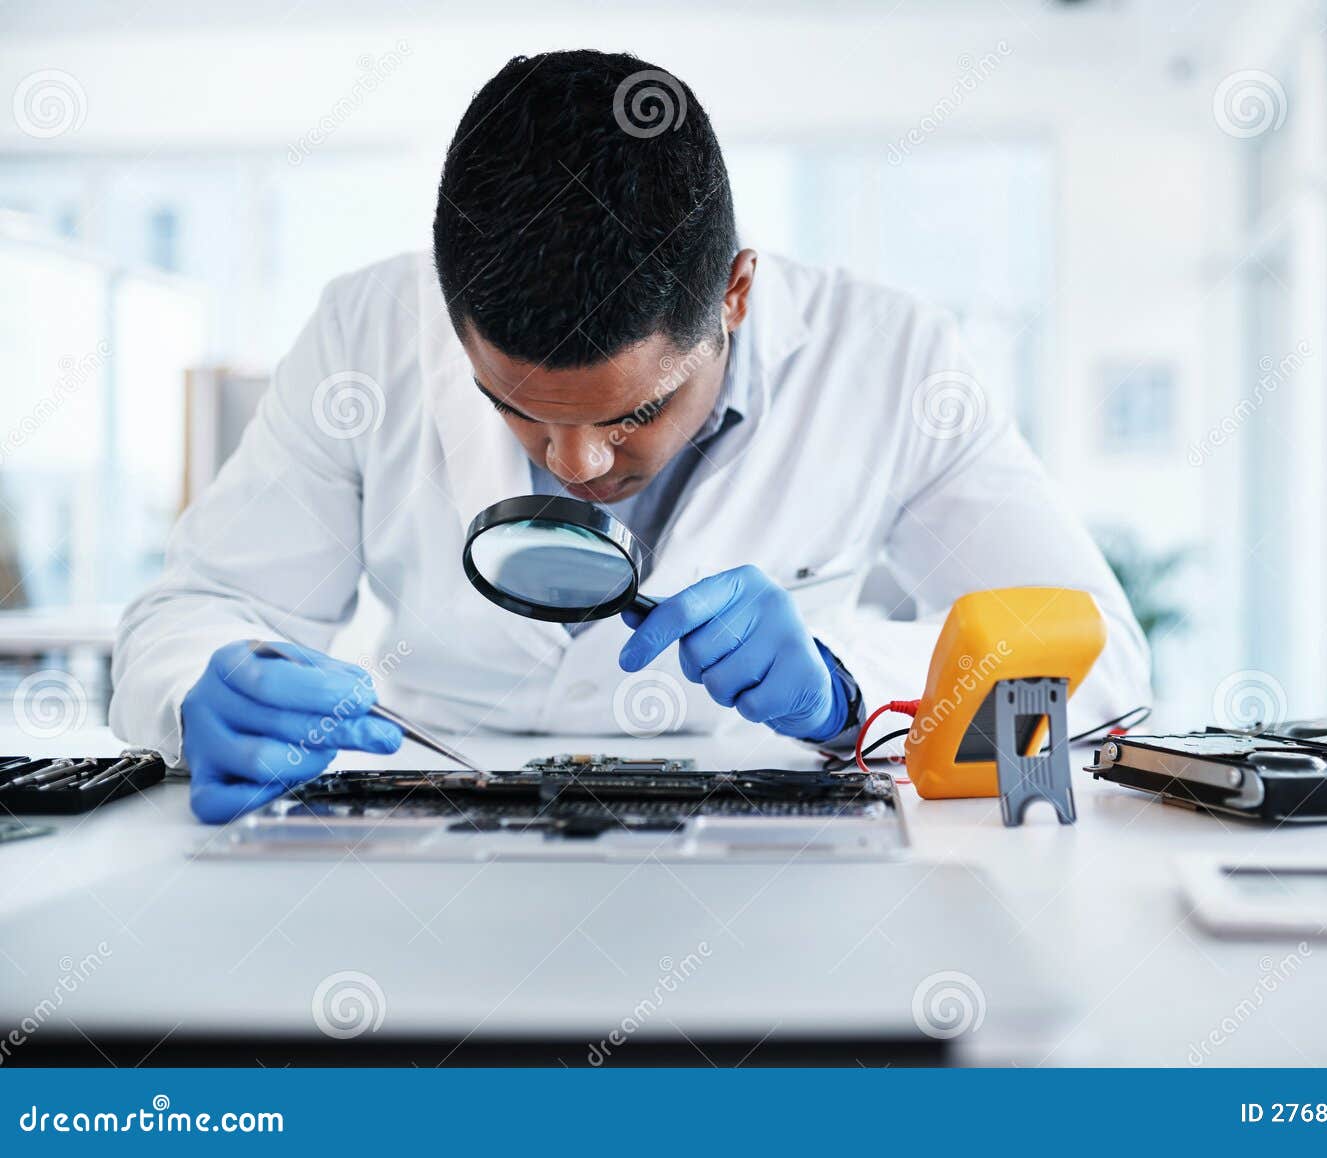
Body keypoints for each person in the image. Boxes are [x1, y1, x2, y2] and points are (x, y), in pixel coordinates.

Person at [110, 49, 1151, 823]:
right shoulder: (364, 330)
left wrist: (844, 686)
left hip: (764, 836)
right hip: (436, 803)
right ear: (448, 310)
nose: (574, 466)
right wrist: (205, 684)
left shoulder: (895, 358)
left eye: (635, 412)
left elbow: (1099, 665)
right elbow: (198, 609)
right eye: (513, 406)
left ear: (735, 294)